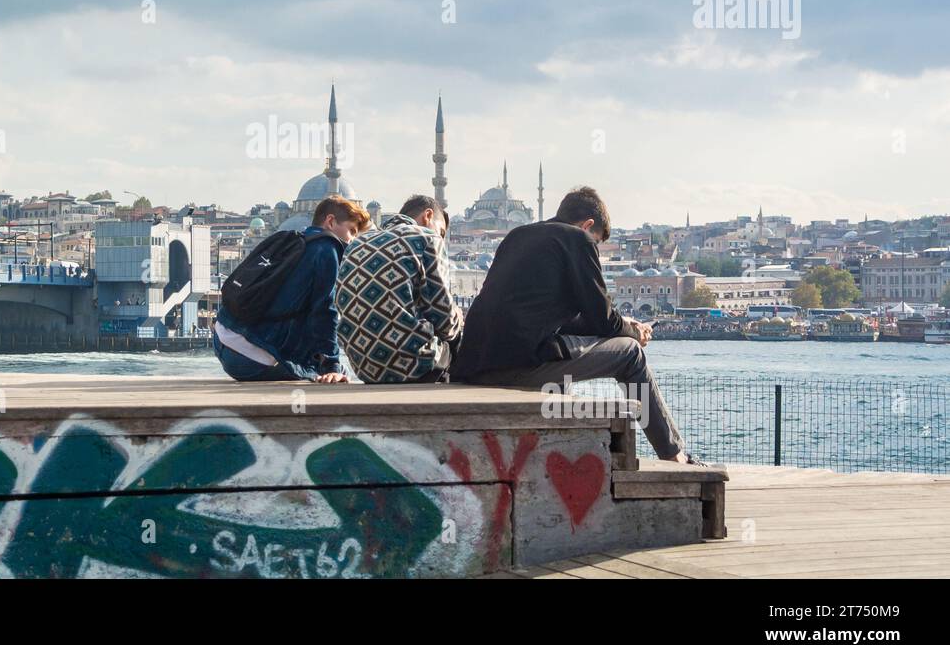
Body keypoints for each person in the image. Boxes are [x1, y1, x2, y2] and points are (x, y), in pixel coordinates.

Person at [451, 186, 702, 463]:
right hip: (514, 369)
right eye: (596, 241)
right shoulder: (578, 239)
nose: (593, 246)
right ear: (588, 225)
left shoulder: (517, 236)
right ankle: (673, 454)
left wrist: (623, 322)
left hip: (472, 367)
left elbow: (550, 316)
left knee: (562, 362)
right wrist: (634, 331)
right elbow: (603, 319)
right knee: (631, 354)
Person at [214, 195, 370, 383]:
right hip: (251, 361)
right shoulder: (327, 248)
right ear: (330, 221)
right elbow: (325, 311)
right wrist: (332, 366)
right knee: (338, 372)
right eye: (351, 231)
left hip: (221, 340)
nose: (352, 240)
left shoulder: (294, 240)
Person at [335, 194, 463, 383]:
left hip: (365, 369)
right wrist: (458, 320)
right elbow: (442, 316)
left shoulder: (357, 243)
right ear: (427, 216)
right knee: (457, 338)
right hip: (415, 364)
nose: (441, 239)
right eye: (441, 232)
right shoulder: (427, 238)